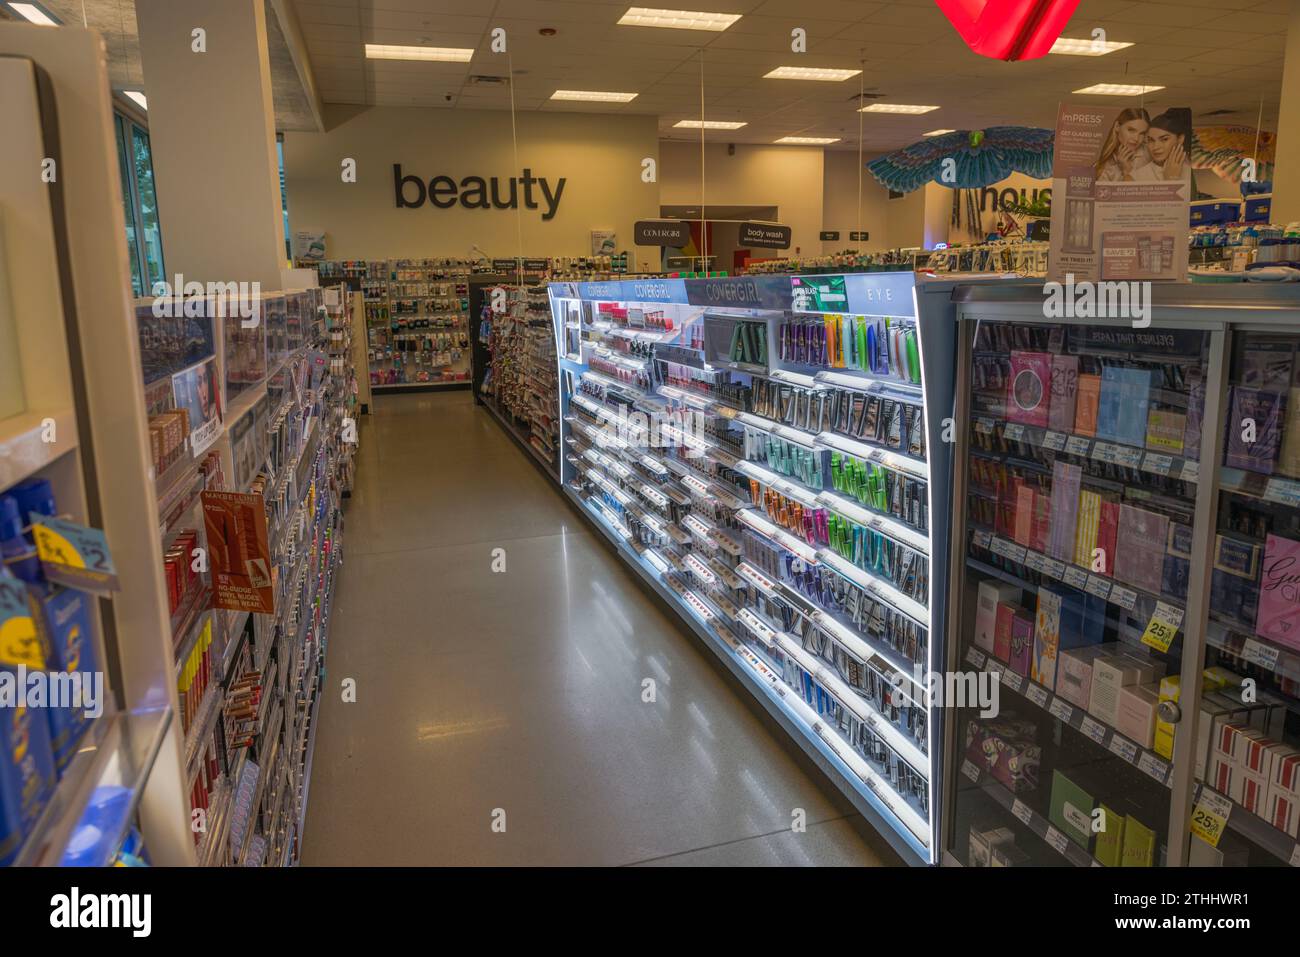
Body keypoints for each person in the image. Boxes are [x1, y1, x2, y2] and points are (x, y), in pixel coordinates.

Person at [1132, 109, 1192, 182]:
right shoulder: (1134, 178)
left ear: (1180, 139)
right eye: (1151, 140)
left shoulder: (1190, 172)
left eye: (1164, 139)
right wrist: (1170, 180)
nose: (1155, 147)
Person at [1095, 108, 1151, 182]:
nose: (1136, 139)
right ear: (1117, 126)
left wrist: (1127, 171)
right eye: (1131, 130)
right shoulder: (1104, 164)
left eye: (1142, 133)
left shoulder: (1149, 155)